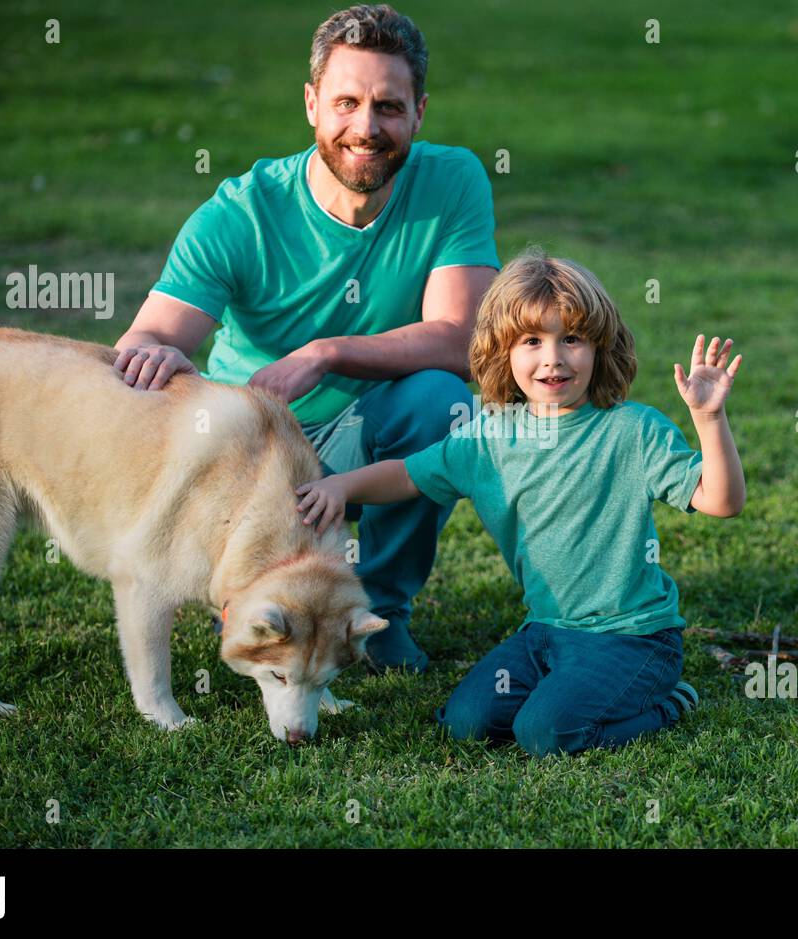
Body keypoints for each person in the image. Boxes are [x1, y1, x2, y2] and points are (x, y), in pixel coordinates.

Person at [111, 5, 500, 673]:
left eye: (388, 106)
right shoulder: (243, 212)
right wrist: (159, 352)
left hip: (362, 432)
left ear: (420, 112)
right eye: (346, 102)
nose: (366, 127)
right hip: (254, 450)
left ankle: (376, 611)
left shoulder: (452, 179)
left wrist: (325, 353)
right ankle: (242, 586)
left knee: (443, 403)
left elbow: (464, 341)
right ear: (312, 103)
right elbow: (146, 338)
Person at [294, 250, 746, 757]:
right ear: (501, 352)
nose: (552, 357)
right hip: (545, 632)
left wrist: (709, 420)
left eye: (571, 339)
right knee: (466, 724)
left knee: (548, 734)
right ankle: (564, 688)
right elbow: (409, 474)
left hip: (632, 638)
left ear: (600, 348)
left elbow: (721, 502)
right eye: (532, 341)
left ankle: (670, 702)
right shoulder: (489, 437)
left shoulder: (632, 430)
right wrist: (342, 487)